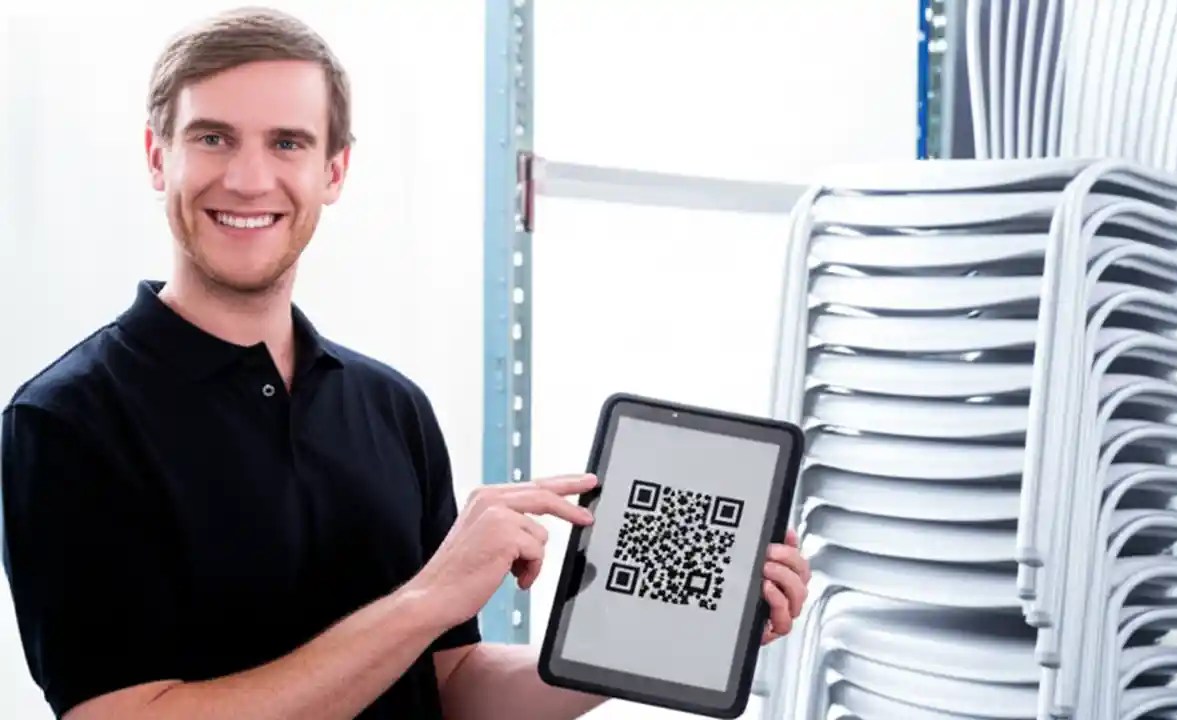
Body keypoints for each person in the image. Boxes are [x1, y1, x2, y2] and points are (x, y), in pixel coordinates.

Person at [0, 7, 812, 720]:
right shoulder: (66, 423)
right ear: (157, 157)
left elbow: (447, 687)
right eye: (212, 138)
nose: (249, 179)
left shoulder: (390, 407)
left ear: (334, 170)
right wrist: (428, 597)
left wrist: (654, 642)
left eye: (288, 142)